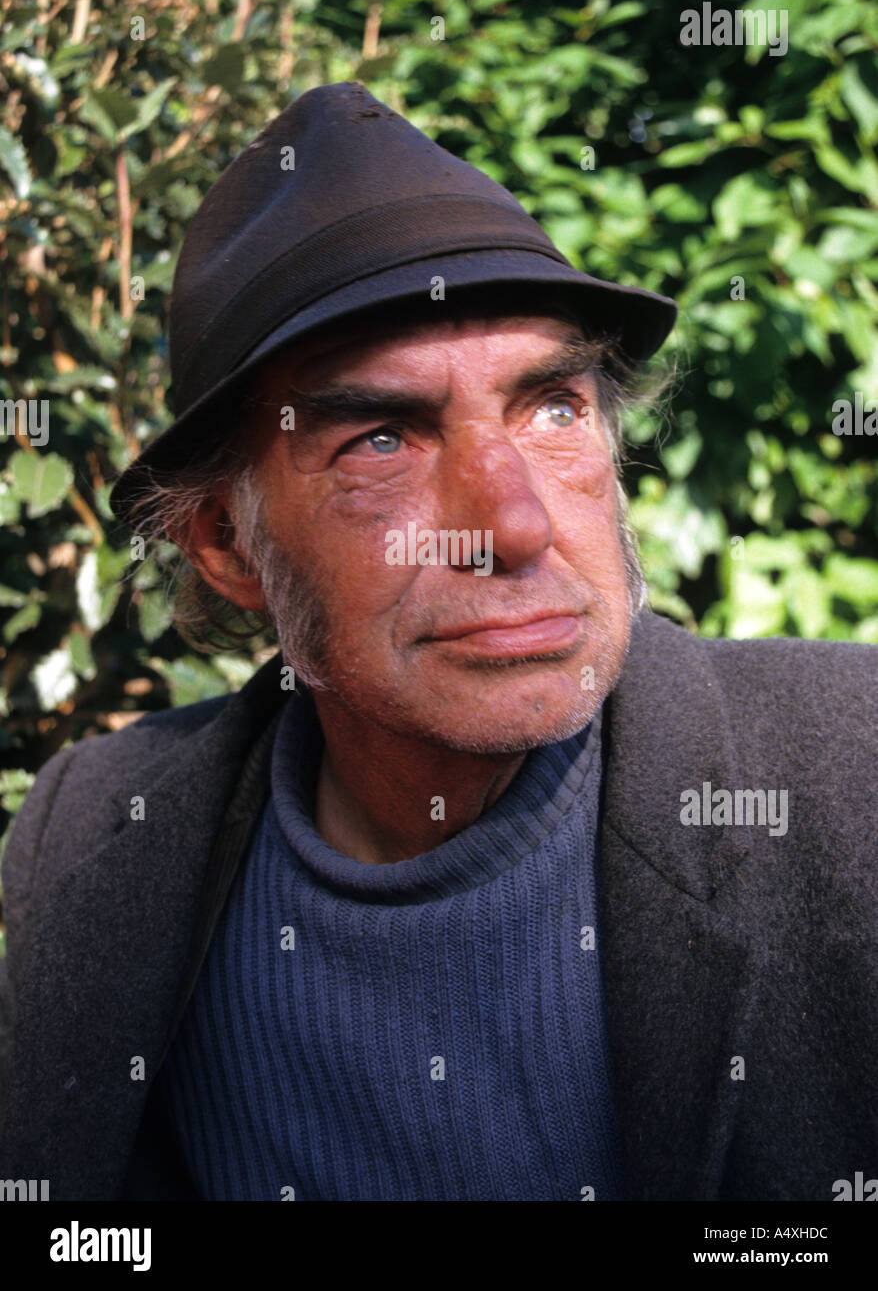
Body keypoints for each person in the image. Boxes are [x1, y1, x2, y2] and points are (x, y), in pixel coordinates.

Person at [0, 83, 875, 1202]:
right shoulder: (91, 837)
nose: (511, 524)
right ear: (224, 541)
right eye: (380, 438)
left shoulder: (852, 780)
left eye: (552, 407)